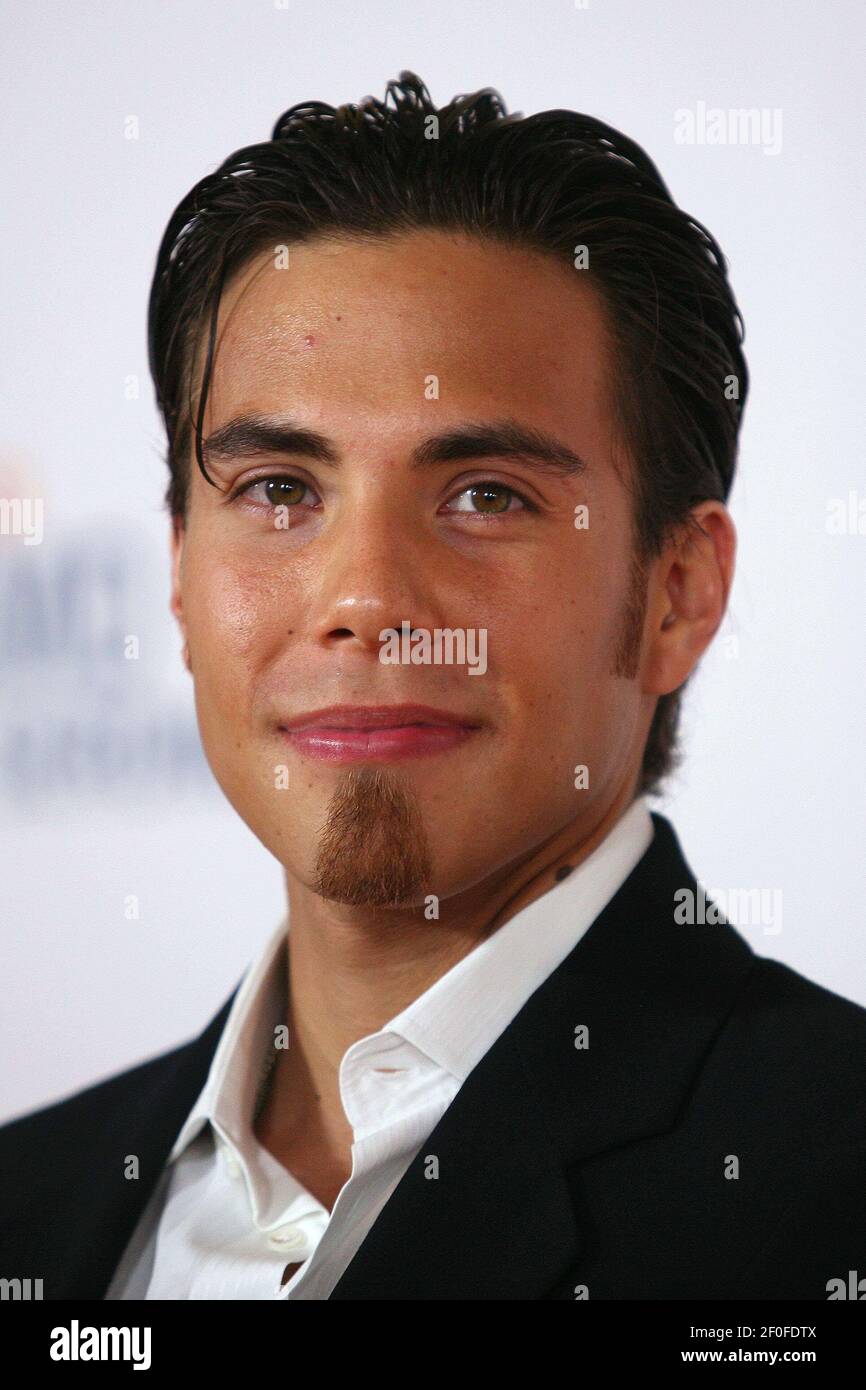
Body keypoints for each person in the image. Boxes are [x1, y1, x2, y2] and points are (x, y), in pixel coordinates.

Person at [1, 71, 864, 1302]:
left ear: (674, 593)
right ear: (182, 573)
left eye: (485, 496)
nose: (364, 599)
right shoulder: (29, 1201)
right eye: (279, 491)